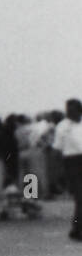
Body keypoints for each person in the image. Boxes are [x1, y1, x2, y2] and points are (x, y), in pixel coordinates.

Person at [54, 99, 82, 241]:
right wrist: (59, 171)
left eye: (74, 110)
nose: (71, 113)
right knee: (80, 196)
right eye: (69, 110)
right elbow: (58, 149)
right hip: (71, 162)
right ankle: (78, 229)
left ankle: (76, 229)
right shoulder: (62, 127)